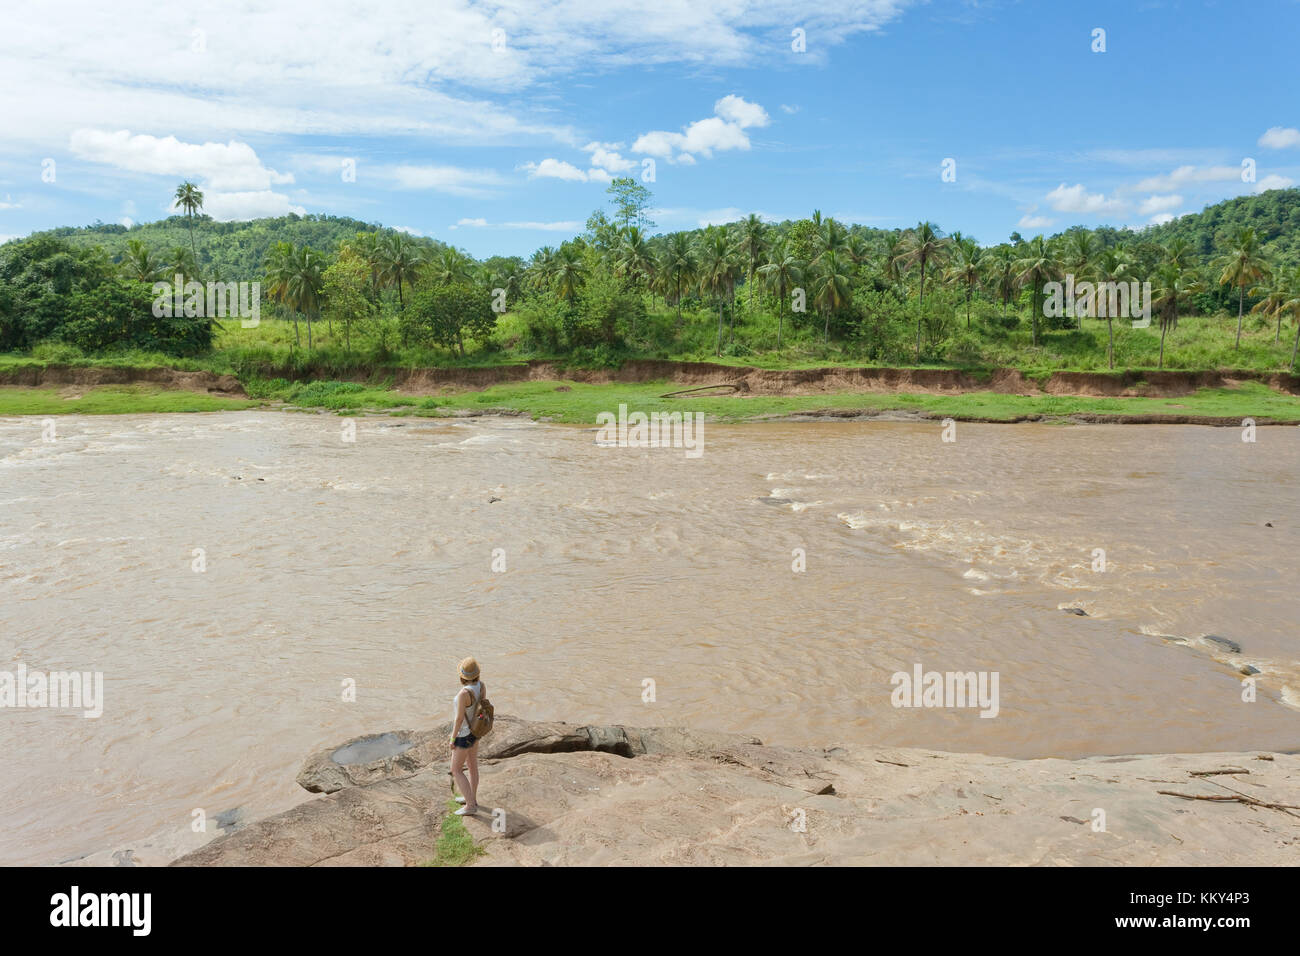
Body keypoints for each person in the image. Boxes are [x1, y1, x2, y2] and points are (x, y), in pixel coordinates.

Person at [449, 657, 483, 815]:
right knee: (472, 765)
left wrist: (452, 738)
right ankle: (471, 798)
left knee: (455, 769)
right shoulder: (481, 686)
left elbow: (459, 718)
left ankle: (470, 806)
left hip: (464, 735)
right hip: (476, 732)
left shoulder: (463, 693)